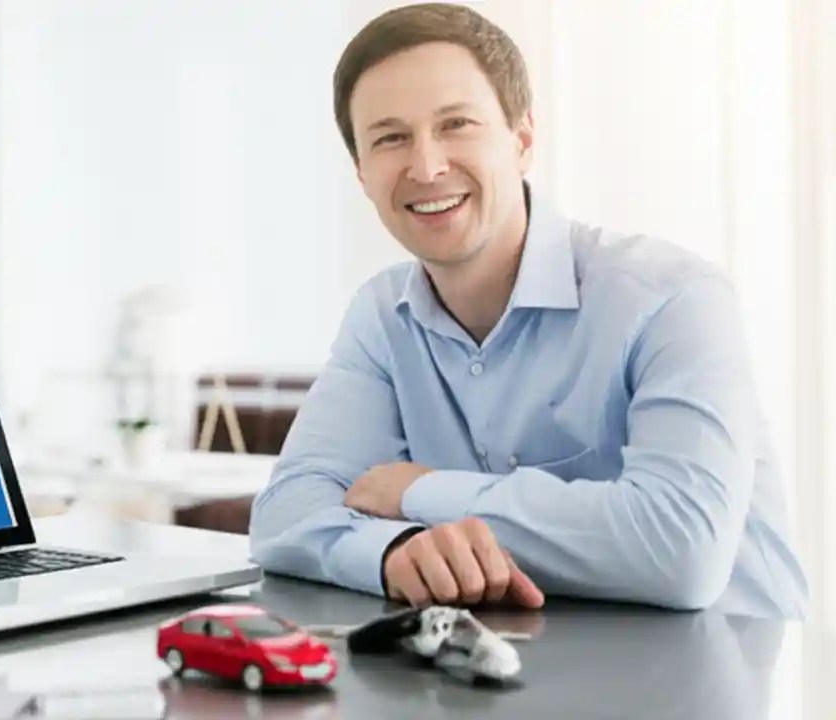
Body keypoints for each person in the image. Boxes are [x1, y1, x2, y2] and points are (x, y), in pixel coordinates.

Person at [248, 3, 807, 620]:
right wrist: (394, 551)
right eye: (390, 138)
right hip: (523, 672)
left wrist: (422, 493)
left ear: (522, 140)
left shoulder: (673, 296)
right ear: (361, 171)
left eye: (456, 124)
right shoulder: (381, 316)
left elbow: (681, 550)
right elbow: (285, 513)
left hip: (728, 685)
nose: (427, 166)